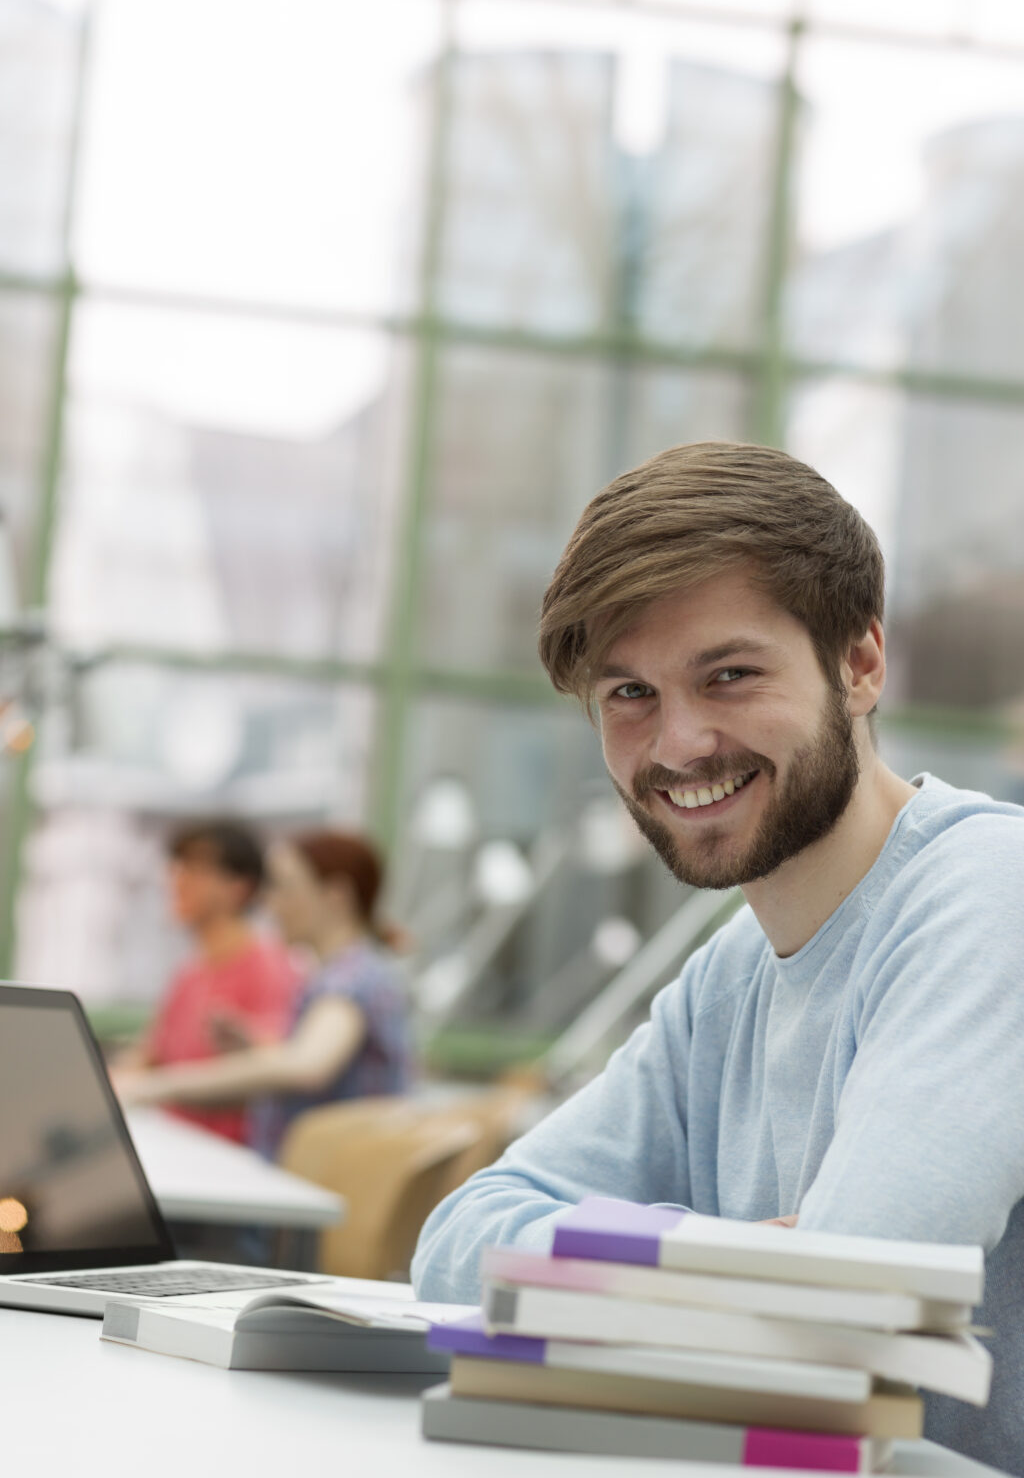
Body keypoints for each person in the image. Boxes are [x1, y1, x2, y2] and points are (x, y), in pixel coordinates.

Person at [411, 441, 1024, 1477]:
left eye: (728, 676)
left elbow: (845, 1309)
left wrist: (643, 1265)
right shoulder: (731, 971)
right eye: (629, 695)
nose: (679, 743)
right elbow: (455, 1243)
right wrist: (732, 1255)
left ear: (860, 663)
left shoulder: (989, 896)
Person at [115, 829, 414, 1158]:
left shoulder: (351, 978)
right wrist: (250, 1046)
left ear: (336, 895)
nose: (271, 905)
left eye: (285, 888)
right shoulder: (348, 974)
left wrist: (157, 1086)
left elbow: (308, 1065)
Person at [115, 819, 300, 1143]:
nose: (178, 881)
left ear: (239, 886)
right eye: (177, 867)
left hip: (228, 1156)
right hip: (171, 1139)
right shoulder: (189, 974)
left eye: (196, 869)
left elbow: (277, 1067)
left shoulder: (268, 967)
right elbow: (151, 1054)